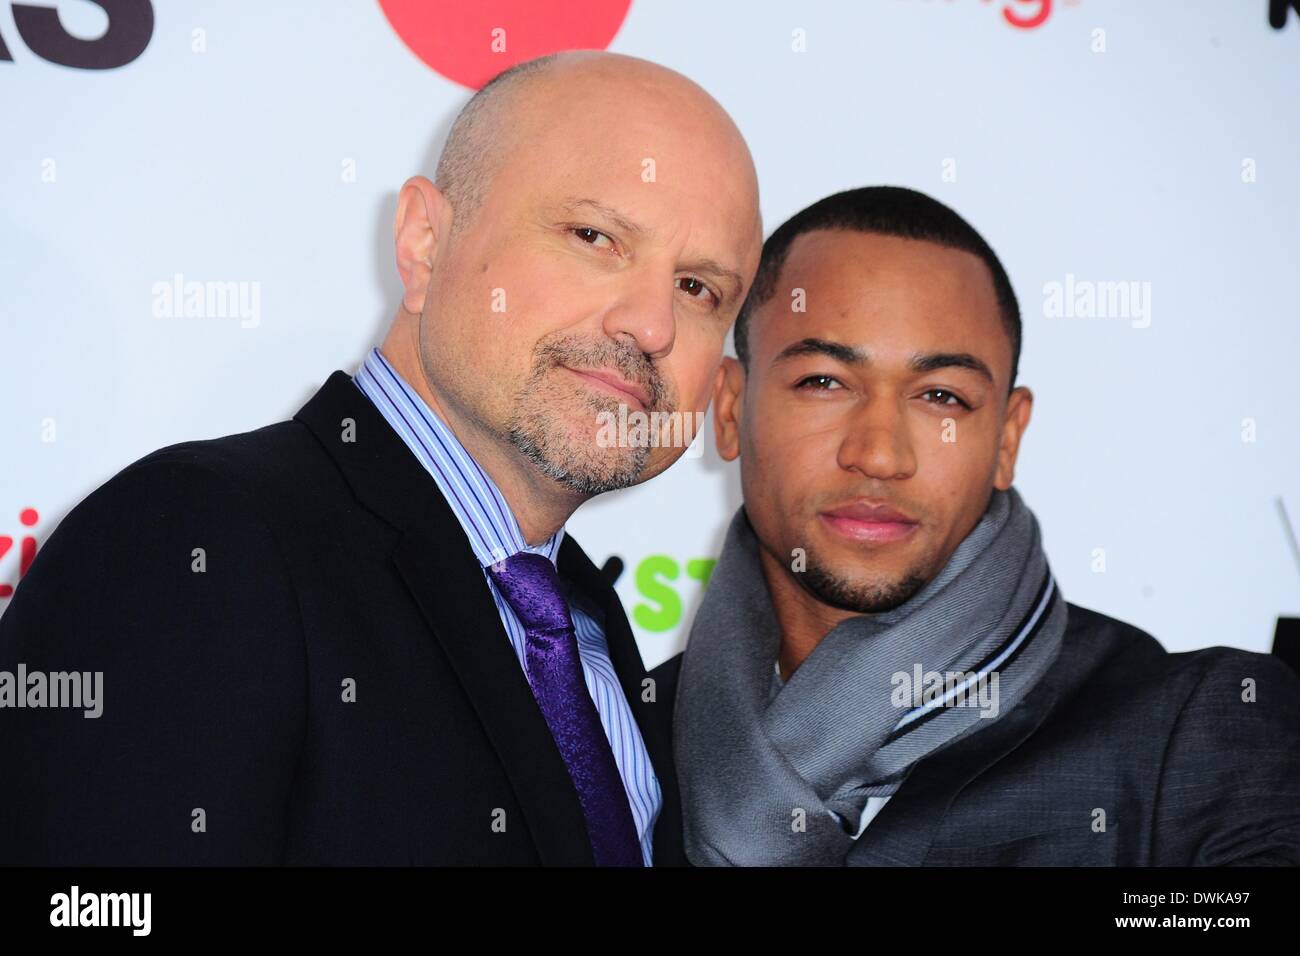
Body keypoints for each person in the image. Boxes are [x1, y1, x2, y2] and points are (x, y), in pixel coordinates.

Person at [0, 51, 763, 866]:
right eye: (595, 236)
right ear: (424, 243)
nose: (650, 323)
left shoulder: (591, 638)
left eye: (698, 289)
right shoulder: (195, 543)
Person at [671, 185, 1300, 866]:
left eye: (941, 396)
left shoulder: (1188, 733)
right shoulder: (612, 741)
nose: (880, 455)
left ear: (1007, 436)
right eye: (824, 382)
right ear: (731, 409)